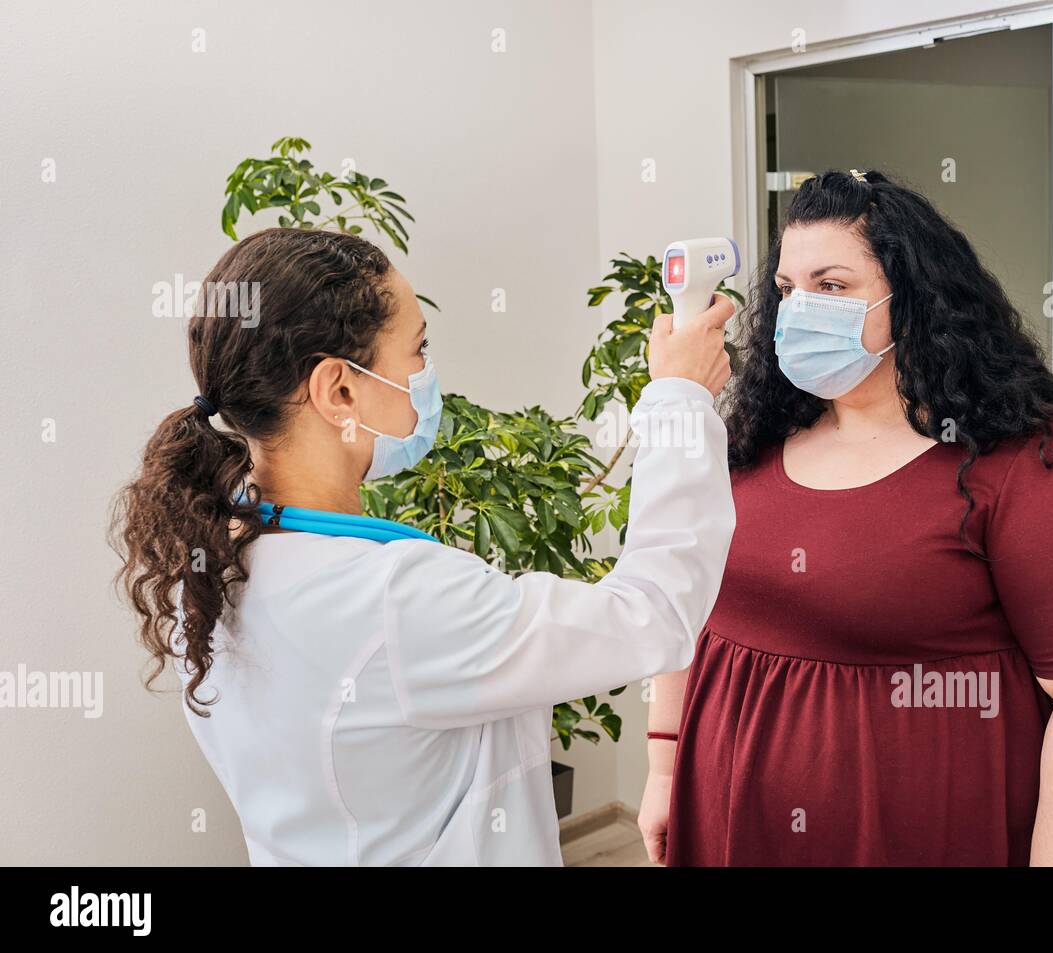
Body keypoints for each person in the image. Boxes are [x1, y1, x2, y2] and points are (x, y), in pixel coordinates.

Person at [112, 227, 736, 865]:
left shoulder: (214, 552)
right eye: (417, 349)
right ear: (339, 391)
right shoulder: (393, 598)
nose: (426, 373)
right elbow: (652, 615)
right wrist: (680, 398)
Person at [640, 169, 1053, 866]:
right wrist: (665, 767)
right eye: (788, 290)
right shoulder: (747, 444)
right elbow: (684, 605)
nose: (800, 310)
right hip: (732, 820)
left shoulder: (1033, 468)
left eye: (832, 286)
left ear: (915, 299)